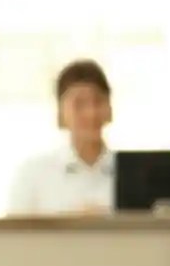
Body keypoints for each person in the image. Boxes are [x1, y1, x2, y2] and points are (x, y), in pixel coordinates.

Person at [8, 59, 115, 215]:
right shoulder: (33, 174)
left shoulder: (133, 175)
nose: (91, 113)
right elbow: (13, 235)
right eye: (79, 104)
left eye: (98, 101)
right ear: (61, 113)